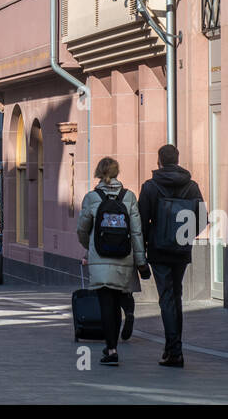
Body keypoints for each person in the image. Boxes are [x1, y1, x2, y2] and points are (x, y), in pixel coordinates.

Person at [138, 144, 205, 368]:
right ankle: (173, 348)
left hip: (159, 250)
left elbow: (141, 222)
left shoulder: (150, 187)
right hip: (181, 250)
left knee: (166, 297)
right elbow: (203, 218)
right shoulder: (192, 186)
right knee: (176, 296)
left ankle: (174, 351)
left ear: (159, 161)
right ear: (177, 159)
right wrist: (186, 235)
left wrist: (144, 248)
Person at [76, 157, 146, 367]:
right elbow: (136, 232)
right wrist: (141, 261)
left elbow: (82, 229)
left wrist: (90, 246)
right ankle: (113, 344)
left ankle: (112, 349)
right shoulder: (129, 197)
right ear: (117, 172)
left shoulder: (91, 197)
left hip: (100, 257)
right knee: (116, 302)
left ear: (98, 172)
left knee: (106, 303)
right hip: (123, 257)